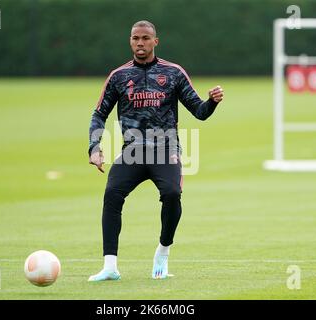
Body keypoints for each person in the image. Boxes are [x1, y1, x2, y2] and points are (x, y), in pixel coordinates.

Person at [88, 20, 224, 281]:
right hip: (133, 151)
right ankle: (110, 266)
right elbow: (98, 115)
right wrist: (95, 147)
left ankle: (163, 251)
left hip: (165, 149)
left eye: (145, 38)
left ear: (155, 41)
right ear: (130, 41)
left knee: (172, 193)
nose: (140, 43)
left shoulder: (173, 73)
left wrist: (212, 102)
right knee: (112, 194)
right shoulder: (118, 76)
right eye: (136, 38)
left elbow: (199, 112)